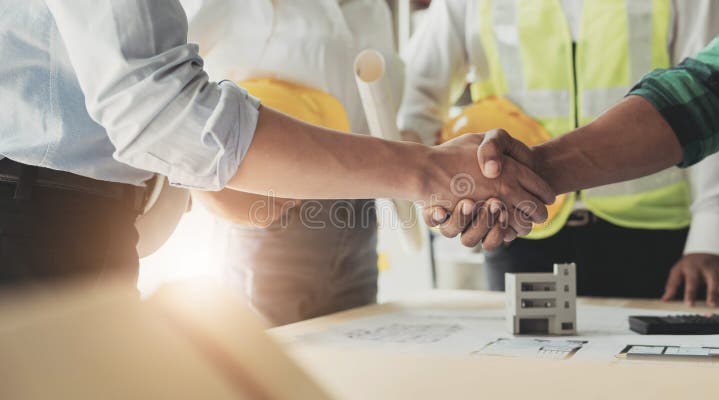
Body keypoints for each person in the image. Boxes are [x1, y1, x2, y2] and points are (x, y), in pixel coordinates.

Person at [0, 0, 552, 289]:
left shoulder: (368, 11)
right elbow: (164, 109)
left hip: (351, 214)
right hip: (42, 215)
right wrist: (432, 172)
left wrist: (436, 165)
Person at [435, 0, 719, 306]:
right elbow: (416, 102)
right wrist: (435, 190)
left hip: (653, 235)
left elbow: (714, 97)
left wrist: (712, 237)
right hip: (521, 231)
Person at [177, 0, 404, 325]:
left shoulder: (373, 9)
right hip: (274, 212)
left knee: (353, 354)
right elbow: (165, 86)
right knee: (266, 361)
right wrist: (197, 179)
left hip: (357, 214)